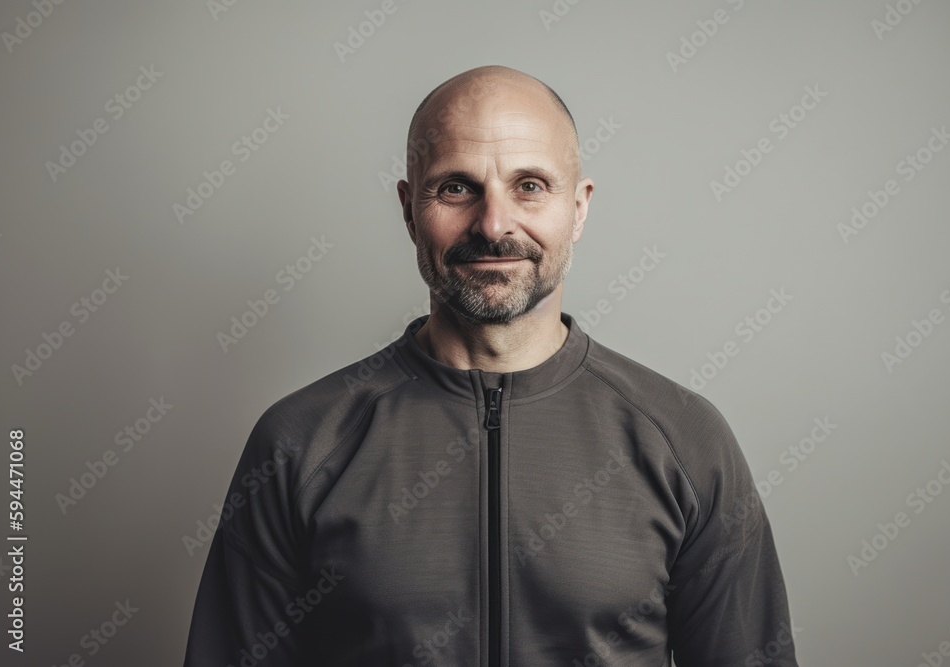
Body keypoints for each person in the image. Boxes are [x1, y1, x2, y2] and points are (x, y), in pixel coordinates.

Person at [183, 65, 798, 667]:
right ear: (408, 208)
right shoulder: (299, 443)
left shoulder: (686, 441)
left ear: (578, 208)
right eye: (456, 187)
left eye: (530, 185)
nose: (494, 223)